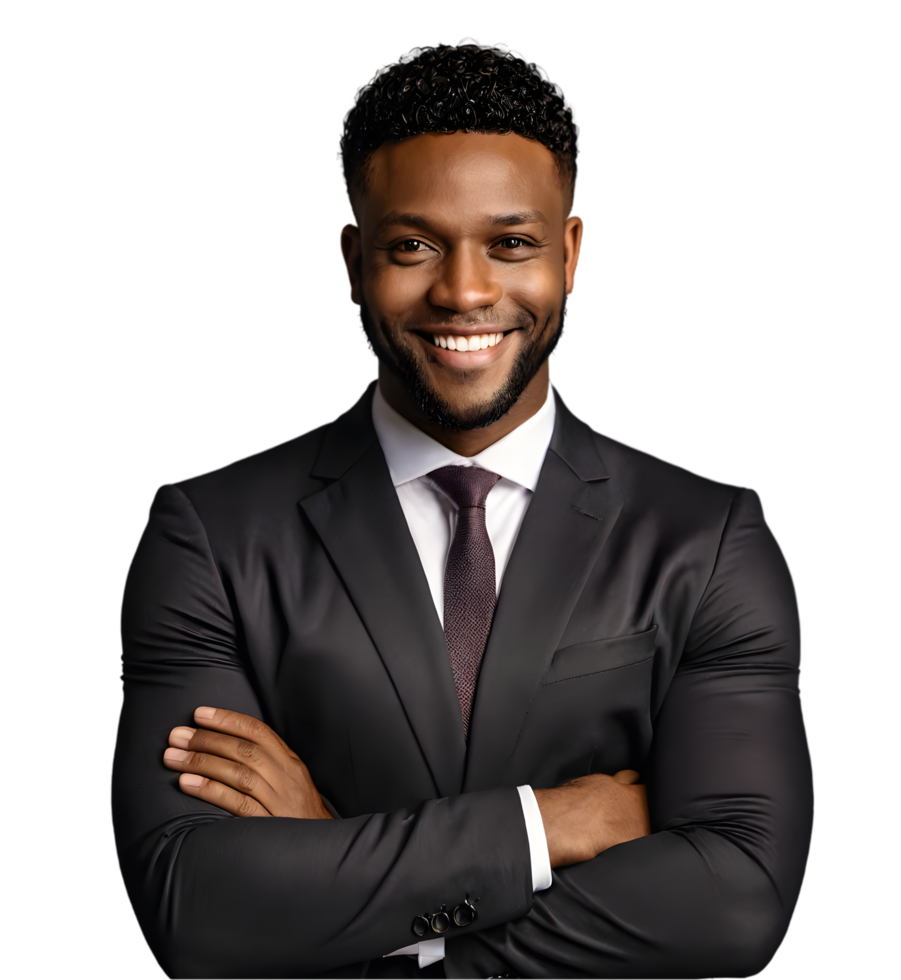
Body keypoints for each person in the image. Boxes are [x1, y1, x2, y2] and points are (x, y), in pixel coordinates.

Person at [112, 39, 814, 980]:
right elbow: (197, 905)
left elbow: (733, 903)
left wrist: (349, 880)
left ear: (569, 255)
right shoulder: (210, 536)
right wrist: (547, 823)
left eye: (511, 244)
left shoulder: (709, 539)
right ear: (351, 260)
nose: (465, 291)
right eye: (414, 246)